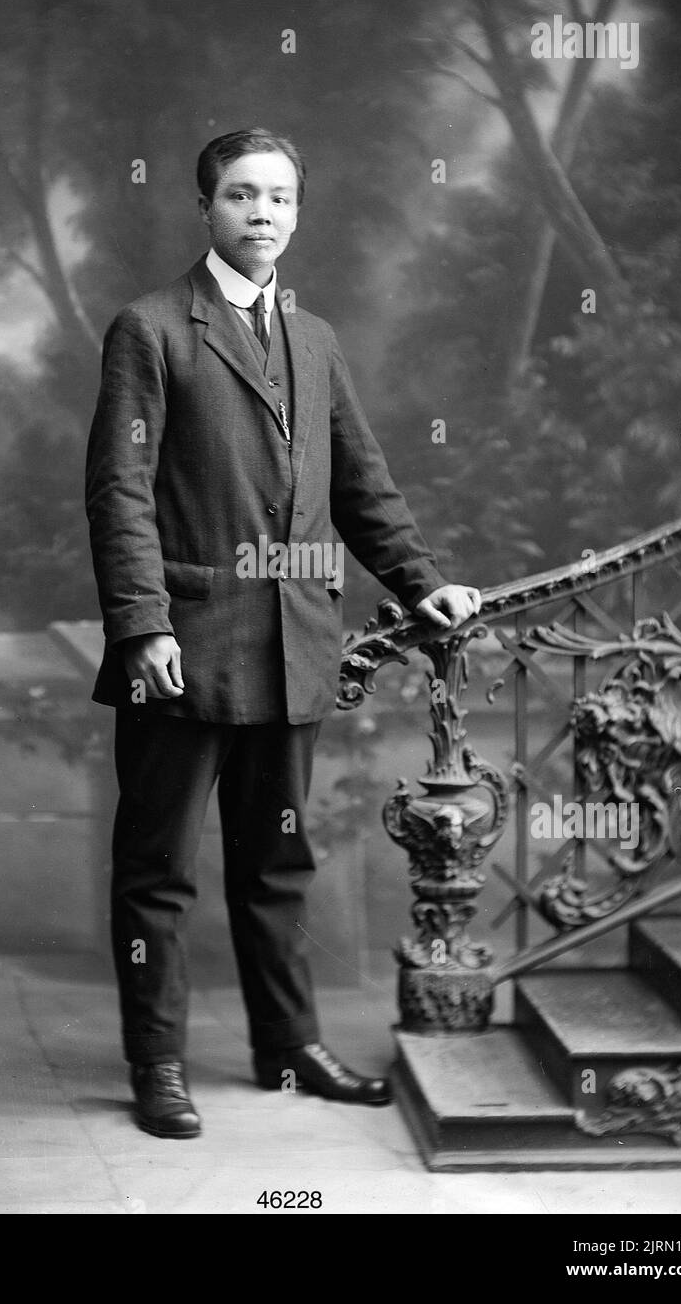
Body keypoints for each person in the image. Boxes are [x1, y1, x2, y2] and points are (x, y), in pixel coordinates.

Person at [85, 127, 481, 1139]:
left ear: (297, 214)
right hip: (183, 649)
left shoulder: (314, 338)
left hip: (295, 644)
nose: (262, 214)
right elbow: (120, 492)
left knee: (278, 865)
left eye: (280, 199)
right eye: (240, 196)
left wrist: (421, 583)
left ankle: (289, 1045)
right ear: (205, 208)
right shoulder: (150, 329)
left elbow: (362, 483)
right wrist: (141, 626)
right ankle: (158, 1064)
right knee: (158, 869)